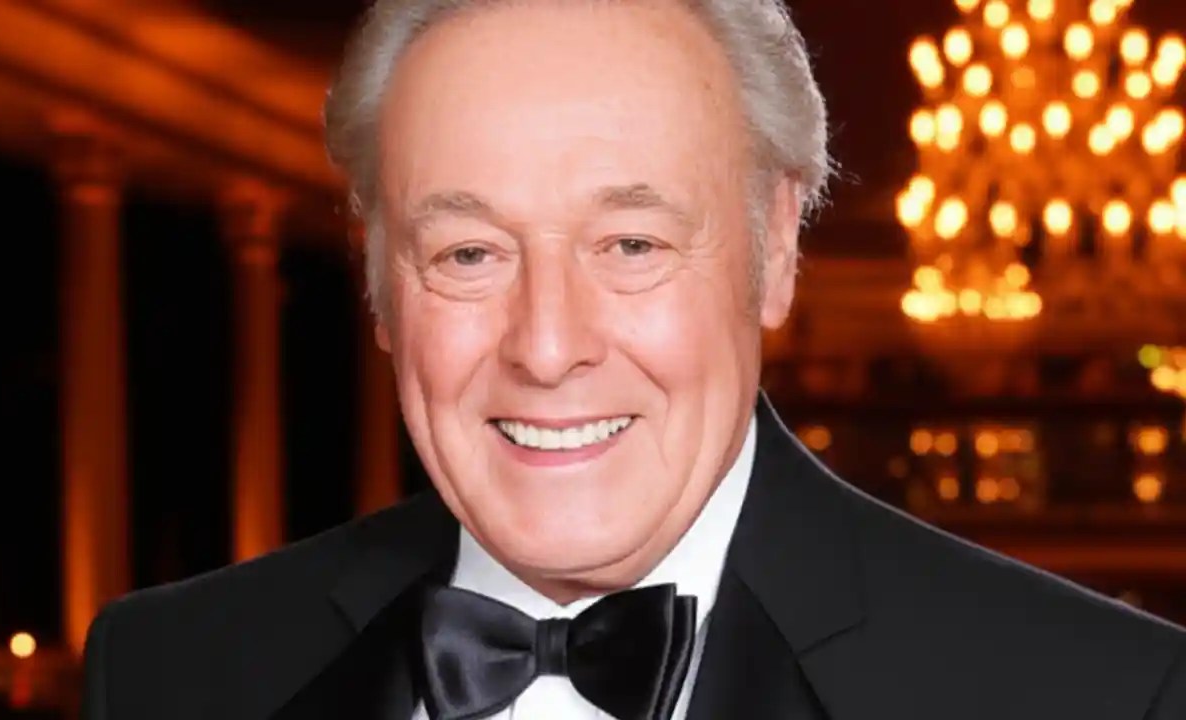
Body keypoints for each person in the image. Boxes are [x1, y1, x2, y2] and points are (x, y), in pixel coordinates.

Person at [80, 0, 1186, 718]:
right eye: (468, 252)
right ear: (379, 282)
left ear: (773, 252)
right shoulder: (168, 672)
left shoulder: (1092, 693)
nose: (547, 347)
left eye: (632, 246)